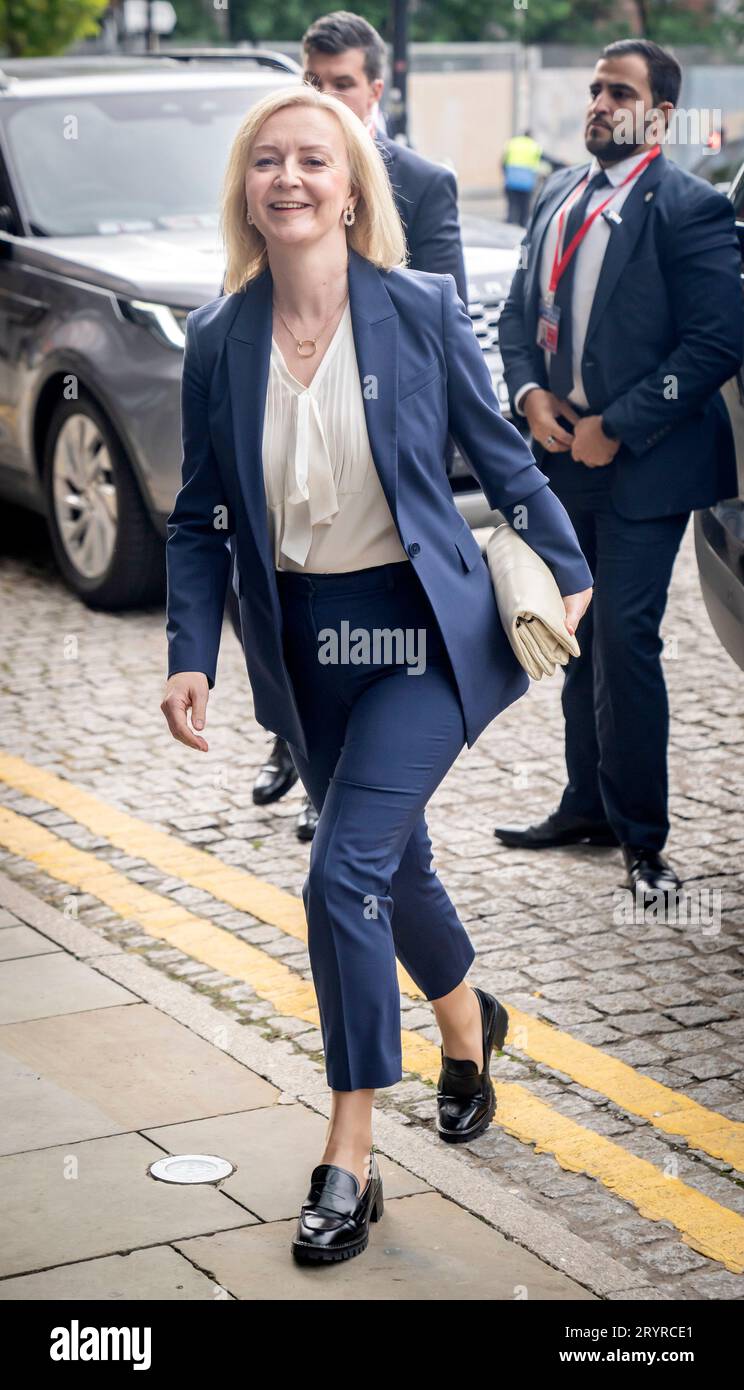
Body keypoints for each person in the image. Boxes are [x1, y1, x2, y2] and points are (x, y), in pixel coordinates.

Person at [160, 84, 593, 1264]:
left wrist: (566, 564)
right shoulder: (219, 337)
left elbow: (504, 459)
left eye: (313, 160)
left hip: (415, 636)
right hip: (299, 648)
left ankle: (349, 1152)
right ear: (247, 191)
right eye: (267, 163)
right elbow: (198, 518)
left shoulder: (417, 309)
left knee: (339, 870)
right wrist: (190, 653)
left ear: (353, 188)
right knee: (390, 863)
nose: (289, 179)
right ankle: (469, 1026)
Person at [496, 39, 743, 904]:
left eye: (620, 91)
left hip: (646, 464)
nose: (598, 101)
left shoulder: (690, 208)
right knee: (575, 633)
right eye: (596, 87)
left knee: (626, 640)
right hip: (560, 457)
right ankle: (585, 806)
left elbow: (716, 341)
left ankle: (644, 842)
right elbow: (519, 313)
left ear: (661, 115)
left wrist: (617, 426)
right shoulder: (559, 192)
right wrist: (529, 394)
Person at [248, 9, 469, 842]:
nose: (325, 96)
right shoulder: (277, 180)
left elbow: (443, 330)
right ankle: (298, 752)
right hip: (299, 431)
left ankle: (347, 798)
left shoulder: (422, 180)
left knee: (362, 844)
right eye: (312, 80)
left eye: (342, 83)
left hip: (381, 444)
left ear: (375, 89)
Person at [502, 128, 544, 225]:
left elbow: (503, 163)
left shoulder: (512, 143)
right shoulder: (534, 146)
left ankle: (509, 225)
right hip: (526, 183)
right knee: (524, 209)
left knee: (512, 207)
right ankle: (521, 227)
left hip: (511, 181)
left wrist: (506, 175)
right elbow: (545, 159)